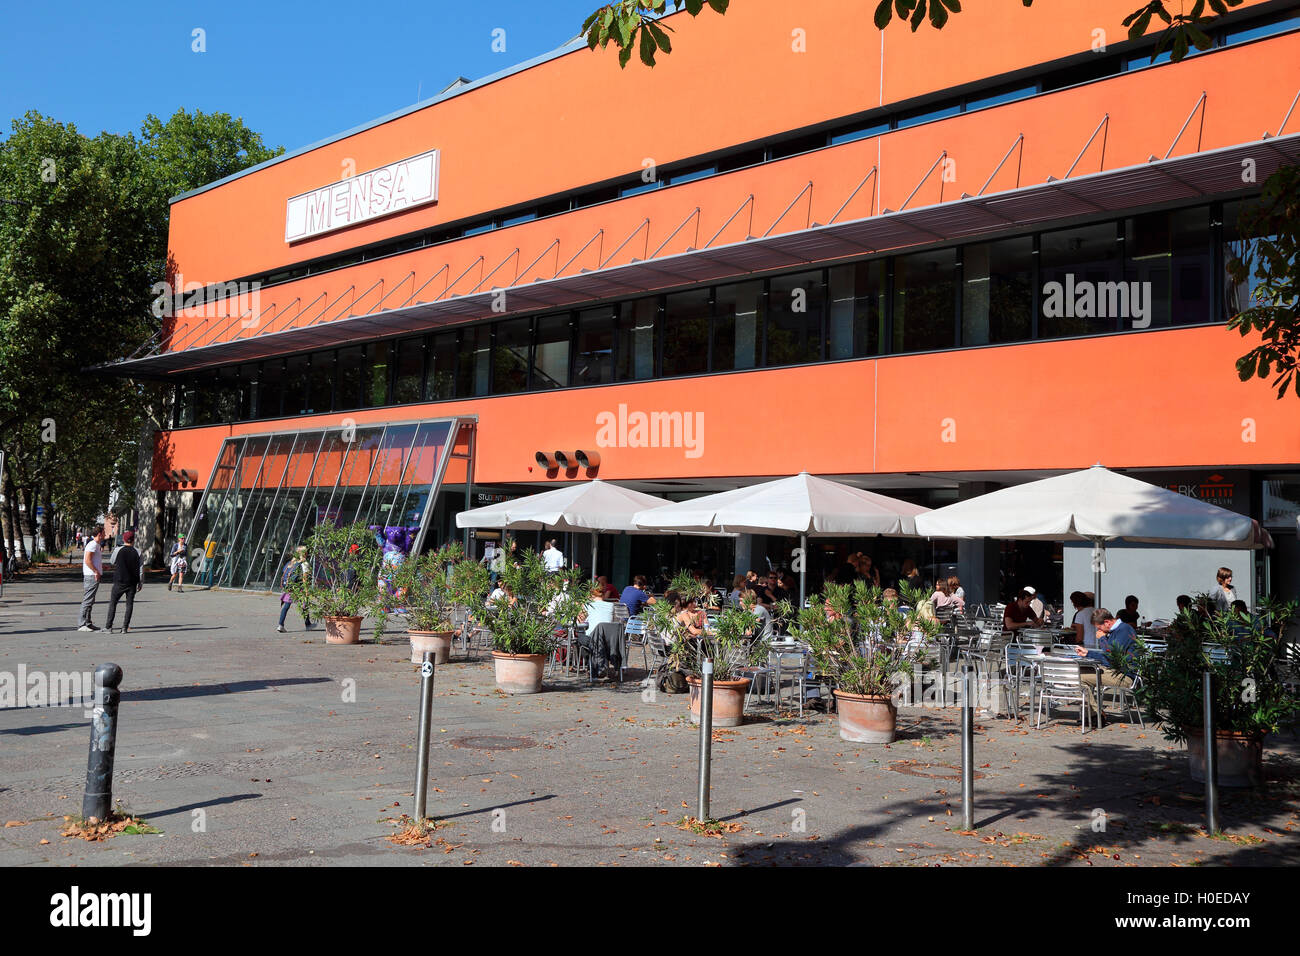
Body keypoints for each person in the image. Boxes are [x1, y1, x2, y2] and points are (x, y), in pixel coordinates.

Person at [1075, 608, 1138, 722]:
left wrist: (1102, 638)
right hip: (1115, 671)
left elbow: (1111, 655)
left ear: (1107, 623)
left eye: (1099, 628)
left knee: (1079, 678)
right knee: (1078, 673)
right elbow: (1108, 657)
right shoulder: (1117, 630)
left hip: (1125, 675)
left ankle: (1097, 714)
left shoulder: (1124, 630)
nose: (1099, 631)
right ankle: (1094, 714)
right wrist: (1088, 653)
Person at [103, 530, 143, 634]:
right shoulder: (138, 552)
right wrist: (141, 582)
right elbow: (141, 569)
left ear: (124, 539)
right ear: (133, 540)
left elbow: (112, 561)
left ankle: (109, 627)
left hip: (119, 580)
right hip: (132, 582)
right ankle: (124, 627)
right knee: (129, 604)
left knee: (113, 603)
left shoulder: (118, 550)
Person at [277, 545, 313, 633]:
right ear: (305, 553)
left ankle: (280, 625)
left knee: (286, 606)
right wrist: (306, 590)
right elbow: (305, 578)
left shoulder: (291, 563)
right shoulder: (304, 564)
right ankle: (307, 624)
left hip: (289, 588)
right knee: (304, 605)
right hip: (299, 588)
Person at [77, 524, 105, 632]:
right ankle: (82, 624)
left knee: (91, 600)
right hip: (91, 576)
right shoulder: (92, 545)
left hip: (93, 574)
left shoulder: (96, 545)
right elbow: (88, 560)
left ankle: (88, 622)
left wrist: (100, 567)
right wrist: (96, 571)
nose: (105, 535)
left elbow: (92, 560)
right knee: (88, 600)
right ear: (99, 534)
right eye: (104, 533)